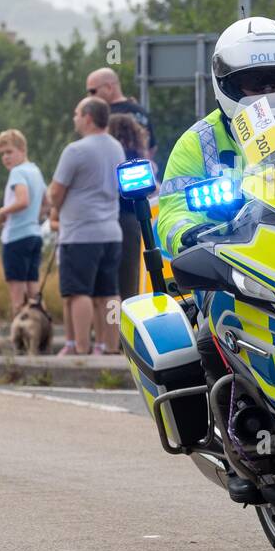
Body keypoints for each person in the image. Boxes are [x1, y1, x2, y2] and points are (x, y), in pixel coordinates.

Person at [156, 16, 275, 257]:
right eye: (256, 83)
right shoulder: (198, 142)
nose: (269, 93)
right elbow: (175, 209)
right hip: (235, 264)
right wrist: (190, 233)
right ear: (227, 83)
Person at [48, 97, 126, 355]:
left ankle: (81, 348)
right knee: (109, 293)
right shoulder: (116, 147)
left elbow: (56, 192)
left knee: (78, 291)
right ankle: (109, 347)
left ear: (88, 118)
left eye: (77, 114)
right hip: (111, 231)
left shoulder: (75, 150)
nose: (74, 118)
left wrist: (54, 207)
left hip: (80, 233)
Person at [0, 129, 48, 315]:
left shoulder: (17, 172)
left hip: (16, 236)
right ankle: (41, 332)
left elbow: (22, 200)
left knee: (17, 296)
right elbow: (47, 202)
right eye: (2, 154)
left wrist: (2, 212)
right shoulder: (35, 171)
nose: (5, 157)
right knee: (34, 291)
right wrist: (35, 216)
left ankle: (21, 339)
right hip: (34, 234)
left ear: (22, 150)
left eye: (9, 152)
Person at [107, 112, 150, 302]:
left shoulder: (113, 158)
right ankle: (125, 323)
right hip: (134, 219)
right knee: (130, 276)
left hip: (116, 218)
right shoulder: (138, 159)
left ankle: (112, 324)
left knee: (113, 280)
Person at [86, 67, 157, 160]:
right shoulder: (139, 110)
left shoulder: (101, 114)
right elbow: (152, 148)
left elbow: (151, 147)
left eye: (92, 91)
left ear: (108, 87)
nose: (90, 96)